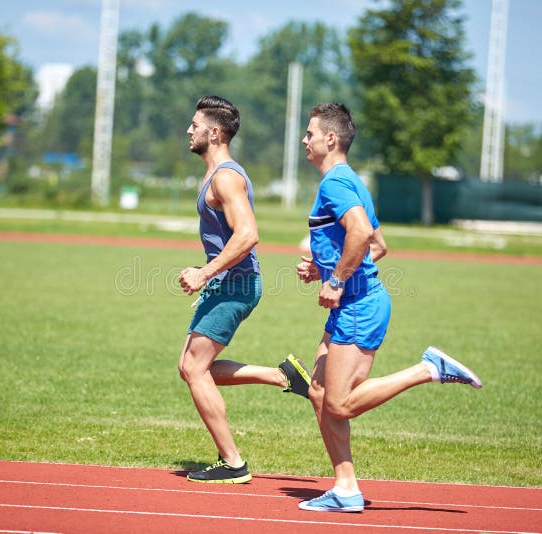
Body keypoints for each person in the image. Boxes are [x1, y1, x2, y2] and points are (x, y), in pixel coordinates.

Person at [295, 102, 483, 512]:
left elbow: (362, 233)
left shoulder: (335, 183)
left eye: (310, 133)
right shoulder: (350, 180)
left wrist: (336, 280)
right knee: (319, 392)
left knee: (340, 403)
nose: (304, 140)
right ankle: (346, 489)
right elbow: (378, 245)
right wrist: (324, 269)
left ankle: (428, 369)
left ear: (331, 138)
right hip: (354, 304)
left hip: (358, 305)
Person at [178, 95, 311, 484]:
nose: (188, 130)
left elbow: (248, 234)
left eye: (195, 125)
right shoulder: (218, 175)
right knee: (192, 368)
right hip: (228, 282)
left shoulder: (226, 177)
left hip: (235, 285)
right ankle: (281, 376)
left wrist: (205, 273)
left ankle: (232, 462)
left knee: (193, 368)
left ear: (214, 133)